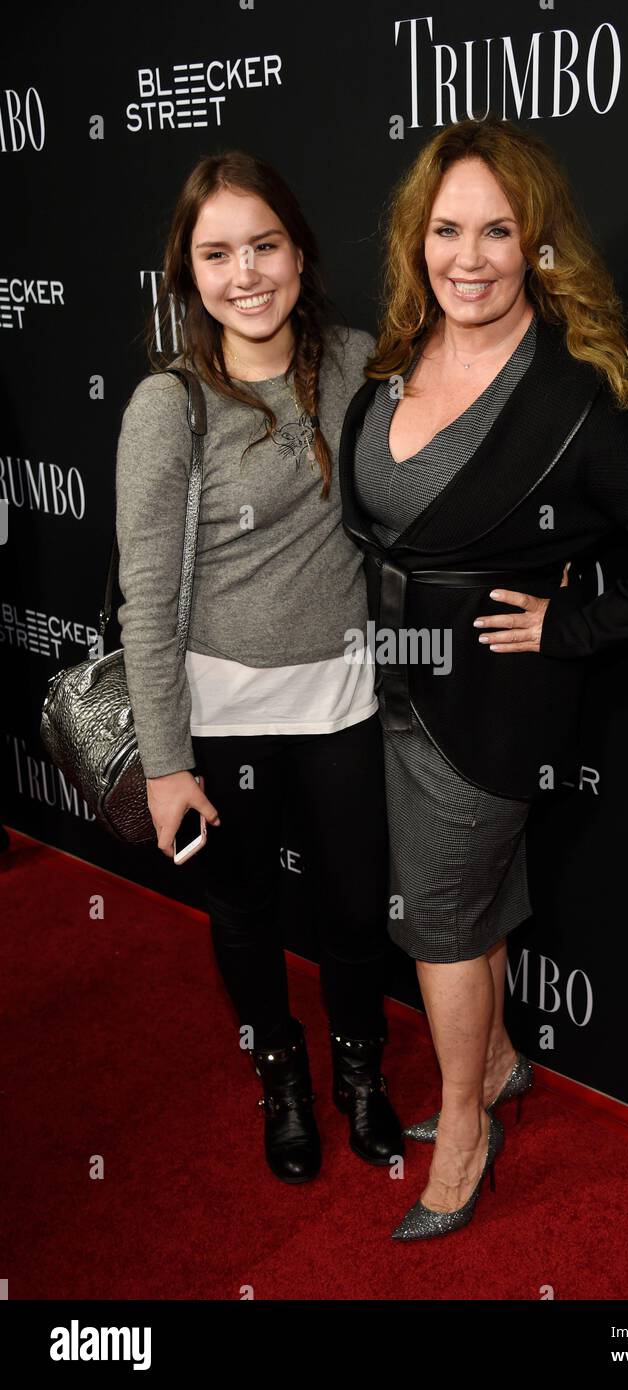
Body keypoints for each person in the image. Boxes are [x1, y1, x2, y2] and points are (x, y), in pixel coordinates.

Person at [338, 118, 628, 1241]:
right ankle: (502, 1059)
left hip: (484, 708)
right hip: (386, 686)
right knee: (466, 902)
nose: (469, 256)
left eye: (498, 231)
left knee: (444, 925)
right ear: (418, 240)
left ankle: (464, 1127)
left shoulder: (568, 396)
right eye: (448, 228)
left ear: (538, 245)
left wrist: (576, 623)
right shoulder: (395, 355)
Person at [115, 151, 404, 1185]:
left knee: (355, 910)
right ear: (188, 275)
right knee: (243, 914)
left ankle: (359, 1073)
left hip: (344, 700)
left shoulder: (362, 363)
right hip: (222, 718)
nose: (245, 272)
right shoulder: (170, 405)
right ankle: (279, 1073)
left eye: (264, 245)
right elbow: (147, 597)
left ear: (298, 252)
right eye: (217, 252)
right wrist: (163, 764)